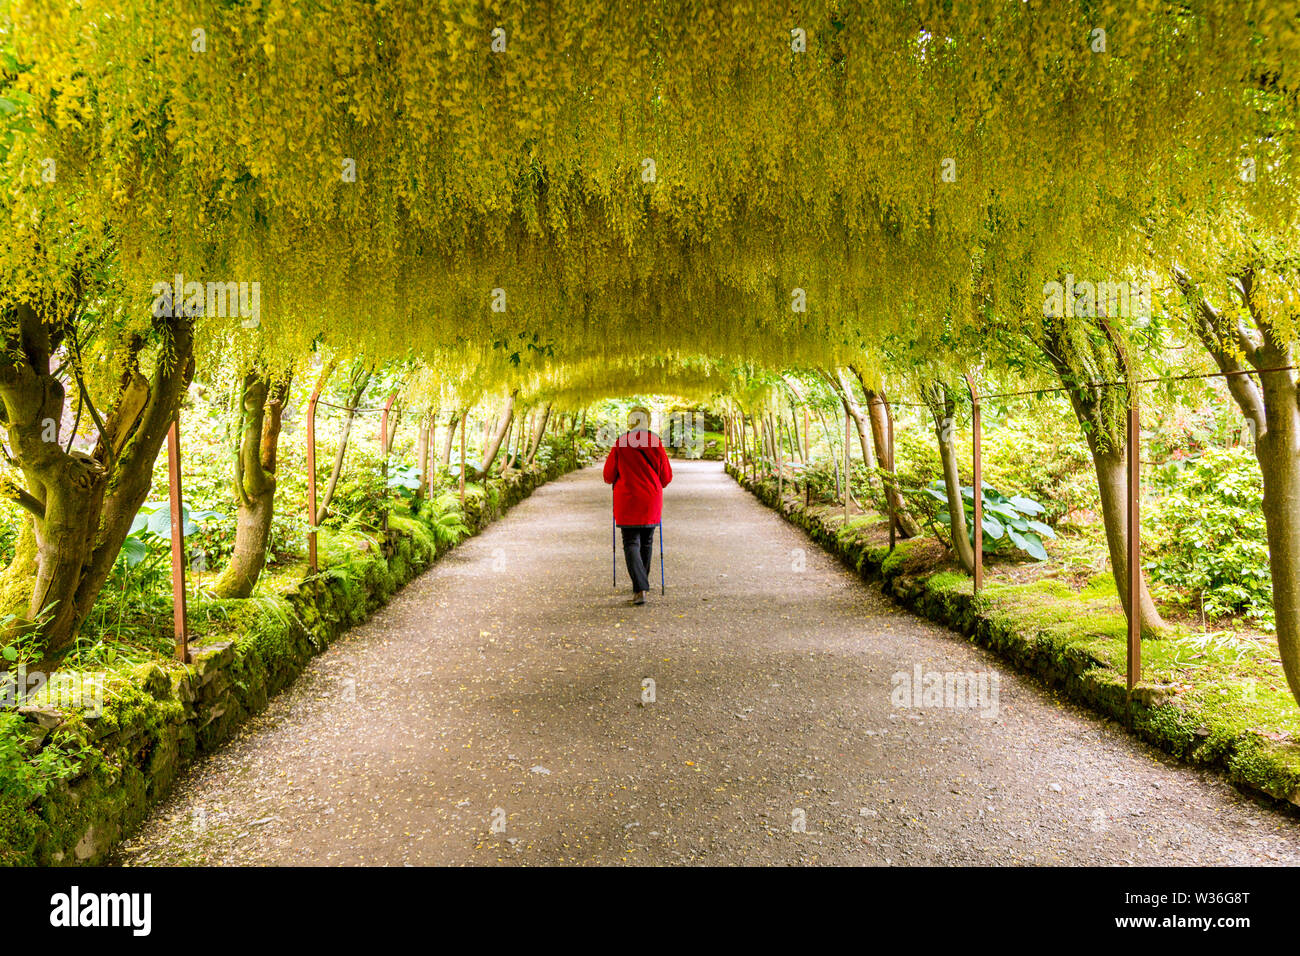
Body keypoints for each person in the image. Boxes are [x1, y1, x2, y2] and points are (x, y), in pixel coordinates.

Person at [602, 405, 673, 605]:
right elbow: (666, 477)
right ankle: (641, 585)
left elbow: (608, 476)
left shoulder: (621, 443)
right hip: (651, 499)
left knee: (631, 542)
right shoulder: (655, 442)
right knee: (647, 541)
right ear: (647, 421)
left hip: (628, 499)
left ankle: (640, 587)